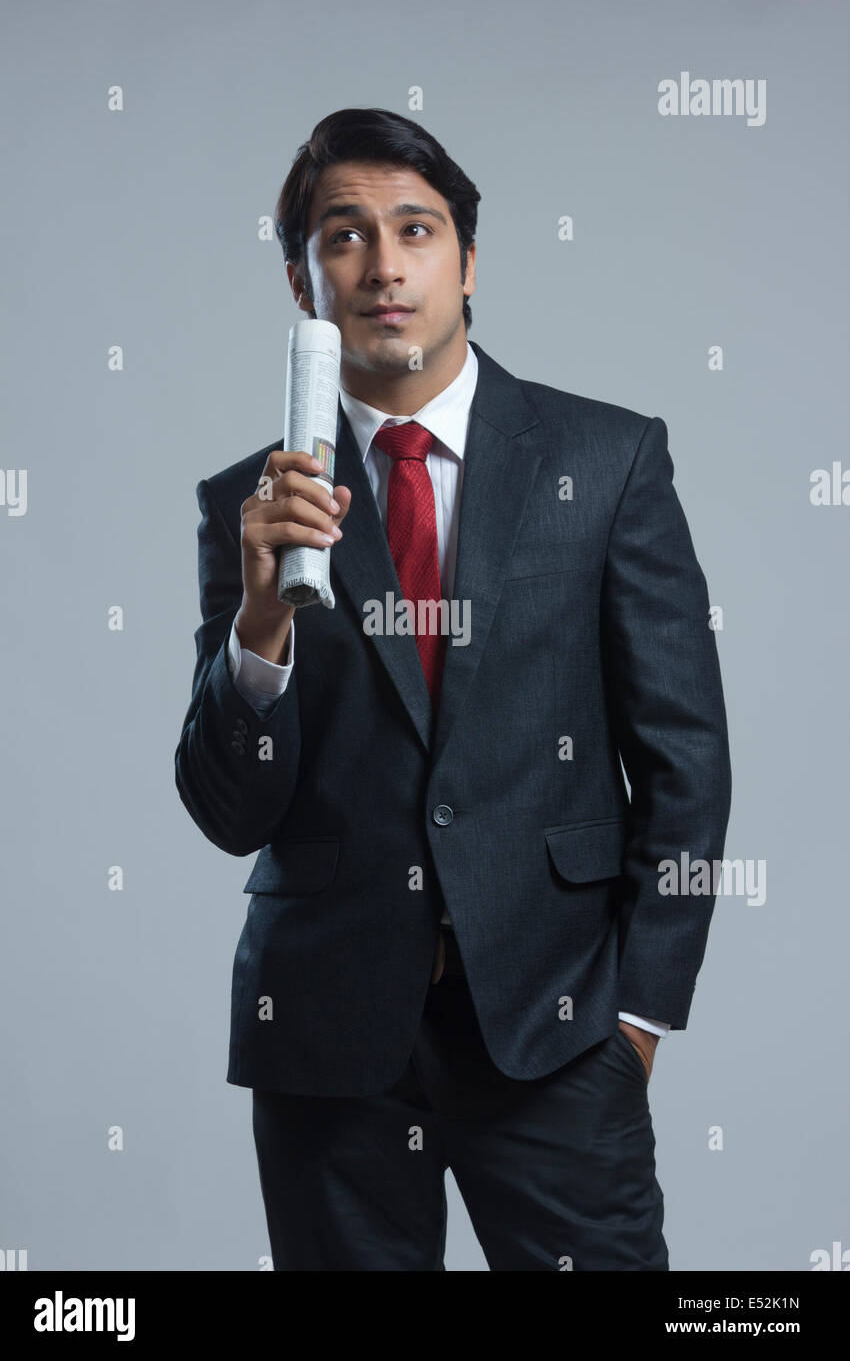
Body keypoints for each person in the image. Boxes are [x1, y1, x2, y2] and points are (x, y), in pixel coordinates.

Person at [174, 106, 732, 1271]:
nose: (383, 265)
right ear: (299, 282)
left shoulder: (603, 459)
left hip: (555, 1022)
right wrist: (261, 615)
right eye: (344, 235)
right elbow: (231, 814)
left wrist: (637, 1014)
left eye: (415, 230)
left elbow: (684, 754)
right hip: (326, 1035)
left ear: (467, 263)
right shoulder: (253, 503)